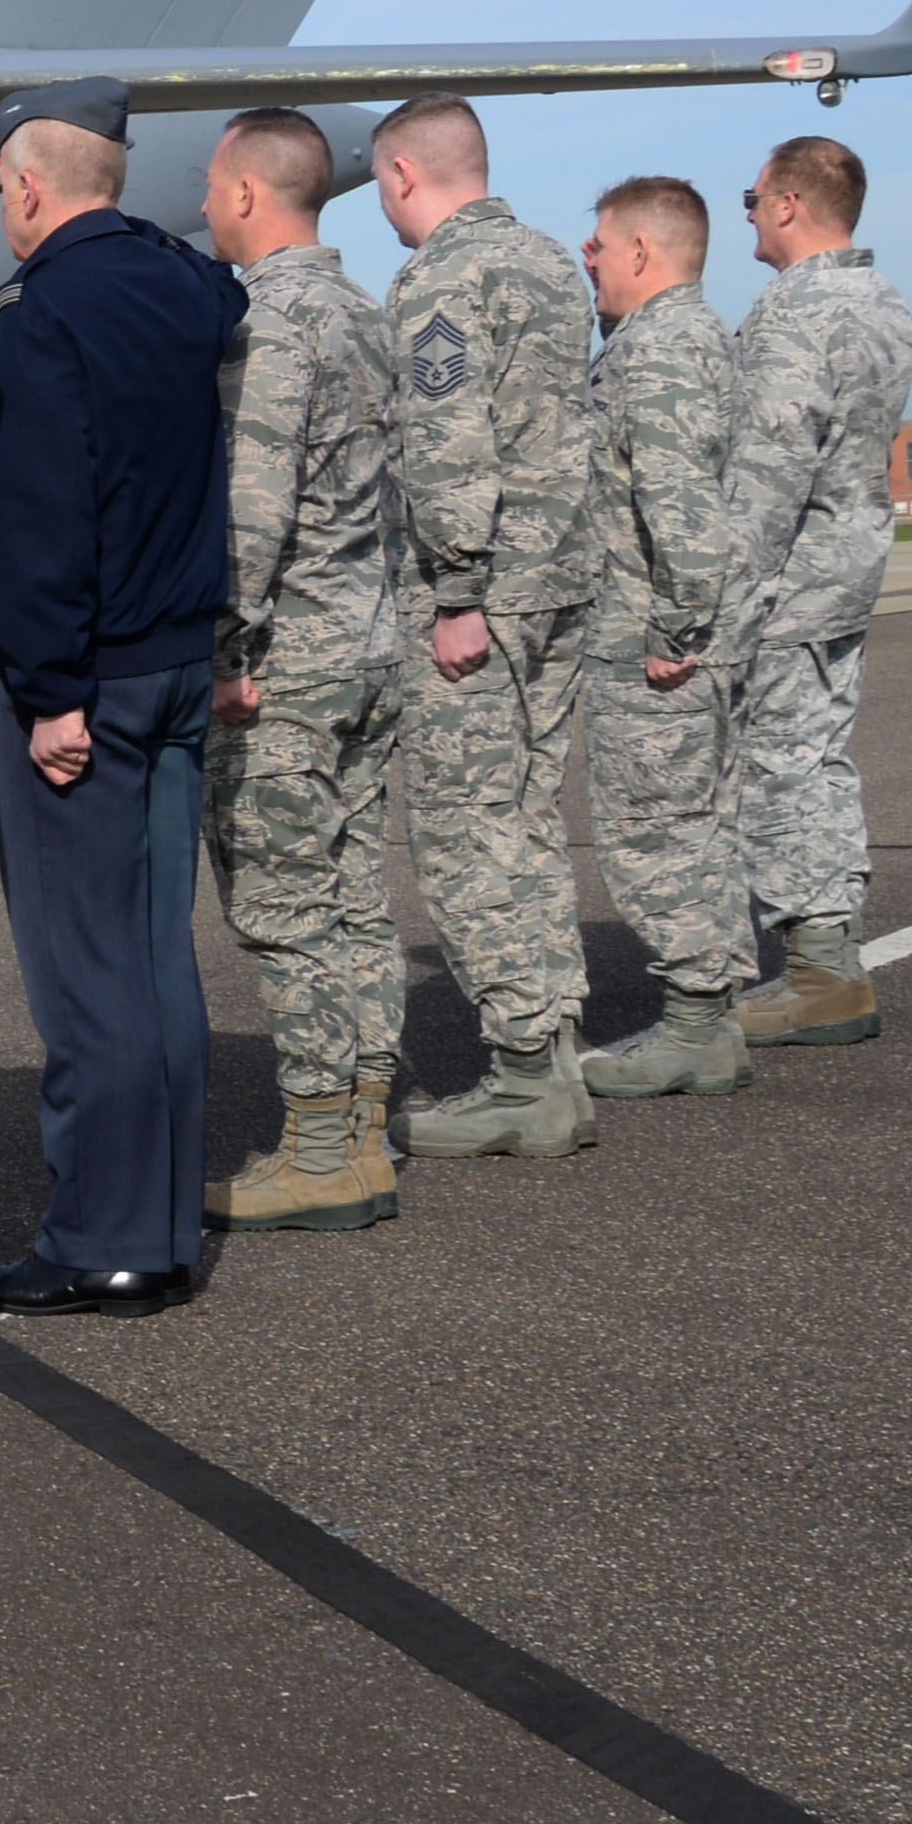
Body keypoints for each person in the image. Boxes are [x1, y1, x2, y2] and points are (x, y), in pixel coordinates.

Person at [0, 78, 244, 1317]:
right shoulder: (187, 287)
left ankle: (104, 1236)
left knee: (88, 971)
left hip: (93, 679)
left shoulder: (39, 314)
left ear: (24, 184)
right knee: (153, 953)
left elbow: (38, 521)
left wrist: (51, 690)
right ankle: (160, 1220)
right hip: (178, 658)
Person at [371, 93, 605, 1161]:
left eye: (380, 183)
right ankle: (550, 1050)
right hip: (559, 580)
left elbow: (447, 439)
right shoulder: (554, 262)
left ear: (404, 175)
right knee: (525, 824)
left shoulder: (440, 278)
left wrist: (456, 591)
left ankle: (524, 1075)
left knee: (468, 834)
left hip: (485, 593)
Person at [196, 109, 416, 1233]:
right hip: (373, 644)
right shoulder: (365, 310)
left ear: (244, 192)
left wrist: (226, 654)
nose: (198, 205)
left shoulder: (271, 322)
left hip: (291, 664)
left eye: (208, 186)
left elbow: (250, 514)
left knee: (287, 913)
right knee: (352, 900)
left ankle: (322, 1146)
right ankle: (365, 1126)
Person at [720, 133, 912, 1048]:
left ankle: (821, 974)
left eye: (755, 198)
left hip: (788, 583)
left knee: (784, 766)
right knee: (820, 757)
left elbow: (768, 470)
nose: (751, 215)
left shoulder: (796, 313)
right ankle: (827, 957)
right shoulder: (880, 302)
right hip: (844, 566)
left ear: (790, 204)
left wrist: (714, 596)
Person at [571, 175, 754, 1099]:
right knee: (695, 826)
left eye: (599, 244)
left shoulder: (660, 350)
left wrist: (674, 629)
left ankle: (695, 1027)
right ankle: (707, 1017)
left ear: (641, 250)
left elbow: (683, 512)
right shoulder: (682, 338)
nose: (588, 258)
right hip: (665, 629)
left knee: (656, 834)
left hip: (652, 643)